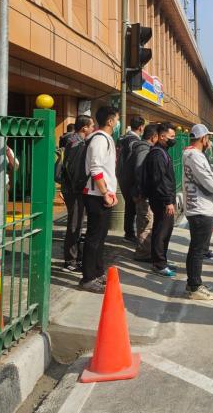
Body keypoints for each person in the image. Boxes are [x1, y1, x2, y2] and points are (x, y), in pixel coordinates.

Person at [182, 124, 213, 300]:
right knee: (198, 249)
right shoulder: (195, 156)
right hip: (200, 208)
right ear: (203, 139)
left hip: (197, 205)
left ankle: (193, 282)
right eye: (208, 138)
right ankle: (194, 287)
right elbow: (208, 179)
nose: (209, 141)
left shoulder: (189, 153)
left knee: (196, 248)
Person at [80, 105, 119, 294]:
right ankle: (88, 277)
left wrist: (110, 192)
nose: (118, 122)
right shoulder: (99, 140)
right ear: (110, 121)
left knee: (100, 236)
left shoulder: (106, 139)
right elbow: (95, 169)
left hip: (102, 194)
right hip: (96, 195)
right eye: (117, 119)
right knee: (94, 237)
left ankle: (97, 271)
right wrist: (105, 192)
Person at [60, 114, 93, 272]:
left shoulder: (73, 141)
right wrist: (79, 187)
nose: (93, 129)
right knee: (74, 224)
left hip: (71, 189)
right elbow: (74, 171)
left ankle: (73, 257)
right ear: (84, 128)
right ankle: (70, 260)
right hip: (74, 190)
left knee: (77, 223)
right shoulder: (76, 144)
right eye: (91, 126)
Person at [144, 122, 177, 277]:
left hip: (164, 198)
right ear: (162, 136)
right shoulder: (157, 154)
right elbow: (160, 180)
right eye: (171, 136)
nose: (173, 139)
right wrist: (167, 201)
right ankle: (159, 264)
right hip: (161, 200)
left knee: (165, 230)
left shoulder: (162, 151)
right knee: (161, 231)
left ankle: (161, 260)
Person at [126, 123, 159, 262]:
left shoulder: (143, 148)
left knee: (145, 222)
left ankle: (144, 251)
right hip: (142, 194)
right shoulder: (144, 150)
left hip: (140, 192)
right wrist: (142, 191)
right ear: (153, 137)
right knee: (146, 223)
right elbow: (139, 171)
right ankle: (143, 253)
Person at [117, 116, 145, 243]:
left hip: (121, 174)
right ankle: (129, 233)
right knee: (132, 206)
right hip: (130, 176)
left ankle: (129, 232)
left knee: (129, 205)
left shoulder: (122, 138)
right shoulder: (134, 141)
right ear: (141, 127)